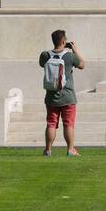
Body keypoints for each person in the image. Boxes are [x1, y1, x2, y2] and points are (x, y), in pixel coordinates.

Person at [39, 29, 85, 157]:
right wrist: (74, 49)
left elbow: (42, 64)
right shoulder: (69, 56)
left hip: (51, 96)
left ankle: (48, 149)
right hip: (68, 96)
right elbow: (82, 65)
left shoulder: (45, 55)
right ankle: (70, 149)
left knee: (51, 123)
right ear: (64, 41)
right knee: (68, 124)